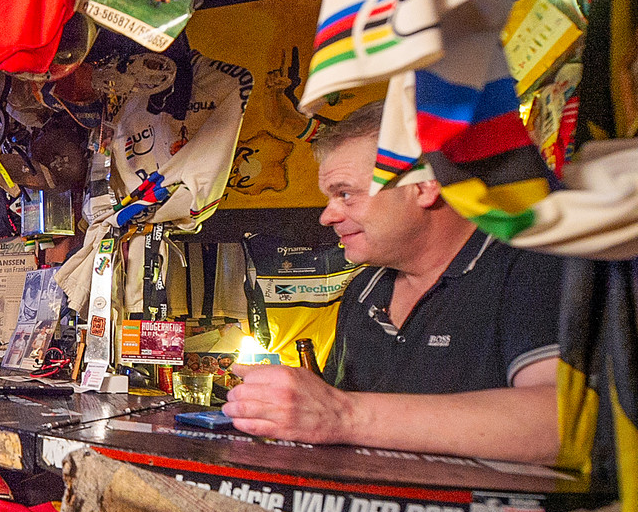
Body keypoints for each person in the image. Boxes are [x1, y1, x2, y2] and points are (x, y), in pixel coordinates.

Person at [223, 101, 566, 463]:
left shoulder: (530, 265)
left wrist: (343, 415)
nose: (328, 216)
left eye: (345, 194)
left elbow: (559, 423)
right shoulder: (364, 291)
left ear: (424, 187)